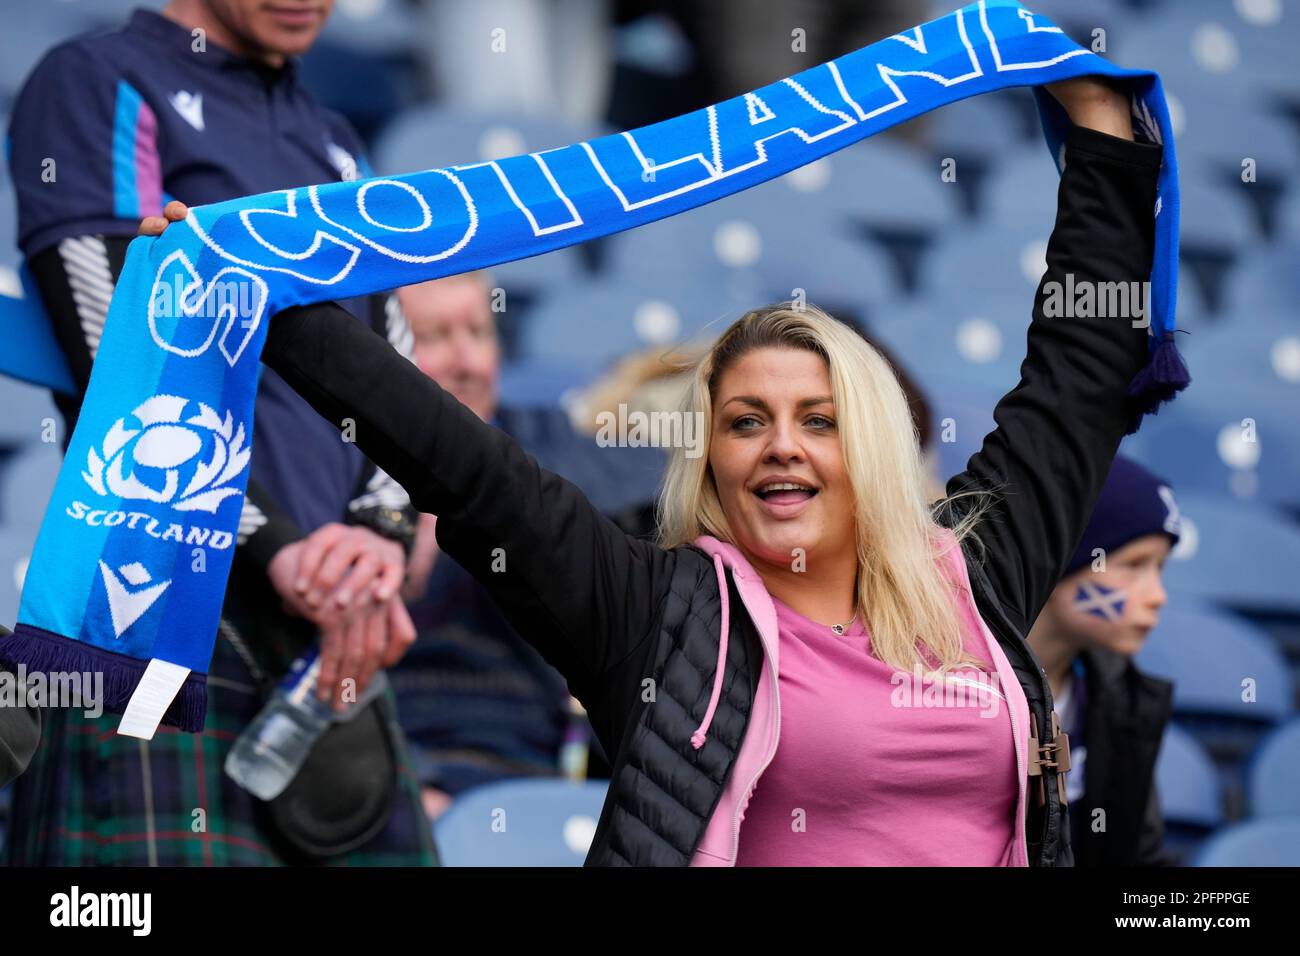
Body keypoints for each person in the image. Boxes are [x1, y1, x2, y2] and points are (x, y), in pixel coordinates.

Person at [146, 75, 1163, 866]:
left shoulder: (974, 582)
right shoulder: (659, 612)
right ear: (709, 459)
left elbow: (1077, 378)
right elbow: (463, 467)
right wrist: (260, 293)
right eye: (745, 420)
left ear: (877, 447)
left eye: (821, 419)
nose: (781, 443)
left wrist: (1106, 144)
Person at [5, 0, 434, 865]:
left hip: (328, 642)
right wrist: (280, 547)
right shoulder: (100, 82)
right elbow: (123, 354)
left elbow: (397, 364)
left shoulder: (335, 136)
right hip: (156, 630)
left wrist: (376, 543)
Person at [394, 272, 663, 820]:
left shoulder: (549, 450)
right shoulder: (330, 478)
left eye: (479, 332)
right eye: (435, 337)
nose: (467, 361)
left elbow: (669, 492)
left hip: (525, 769)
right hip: (371, 766)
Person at [1027, 455, 1179, 866]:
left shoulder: (1122, 698)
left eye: (1161, 568)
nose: (1157, 596)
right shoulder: (963, 690)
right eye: (1133, 565)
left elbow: (1138, 854)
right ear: (1059, 557)